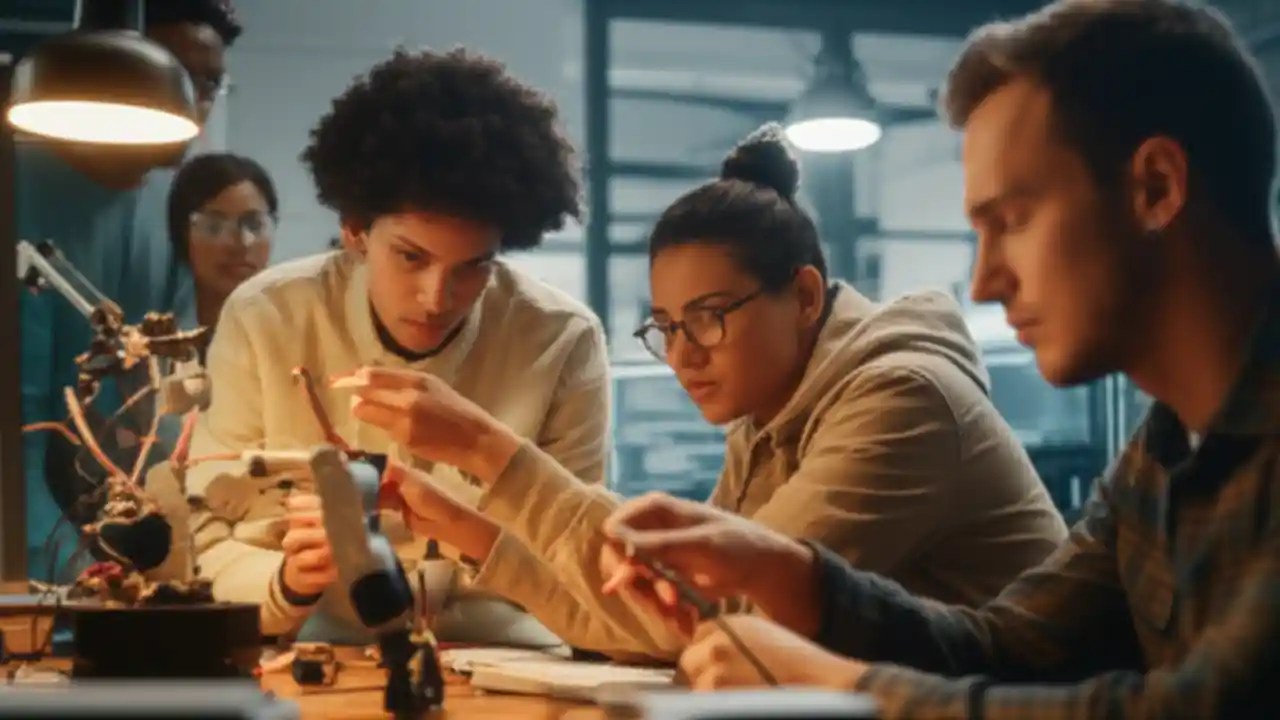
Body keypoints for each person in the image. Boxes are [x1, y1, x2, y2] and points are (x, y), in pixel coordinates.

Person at [597, 0, 1280, 716]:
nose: (984, 282)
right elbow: (1008, 647)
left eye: (1011, 221)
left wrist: (841, 687)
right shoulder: (1163, 449)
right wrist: (804, 580)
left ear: (1156, 189)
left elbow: (1205, 708)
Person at [353, 124, 1067, 661]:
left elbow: (726, 616)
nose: (682, 355)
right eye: (666, 326)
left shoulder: (902, 401)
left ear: (807, 295)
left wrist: (489, 450)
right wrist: (471, 529)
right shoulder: (768, 415)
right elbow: (667, 619)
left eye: (709, 317)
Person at [183, 48, 608, 642]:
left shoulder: (562, 340)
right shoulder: (268, 316)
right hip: (321, 649)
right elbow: (211, 541)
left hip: (510, 655)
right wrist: (289, 582)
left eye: (474, 266)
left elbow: (585, 565)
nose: (438, 297)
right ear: (354, 229)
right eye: (411, 257)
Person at [17, 0, 243, 581]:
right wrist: (67, 575)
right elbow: (20, 430)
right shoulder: (18, 189)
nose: (192, 101)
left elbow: (159, 410)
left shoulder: (168, 207)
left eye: (208, 82)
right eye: (171, 73)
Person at [166, 153, 278, 333]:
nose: (242, 243)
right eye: (214, 227)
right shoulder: (153, 335)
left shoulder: (294, 329)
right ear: (182, 234)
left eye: (255, 225)